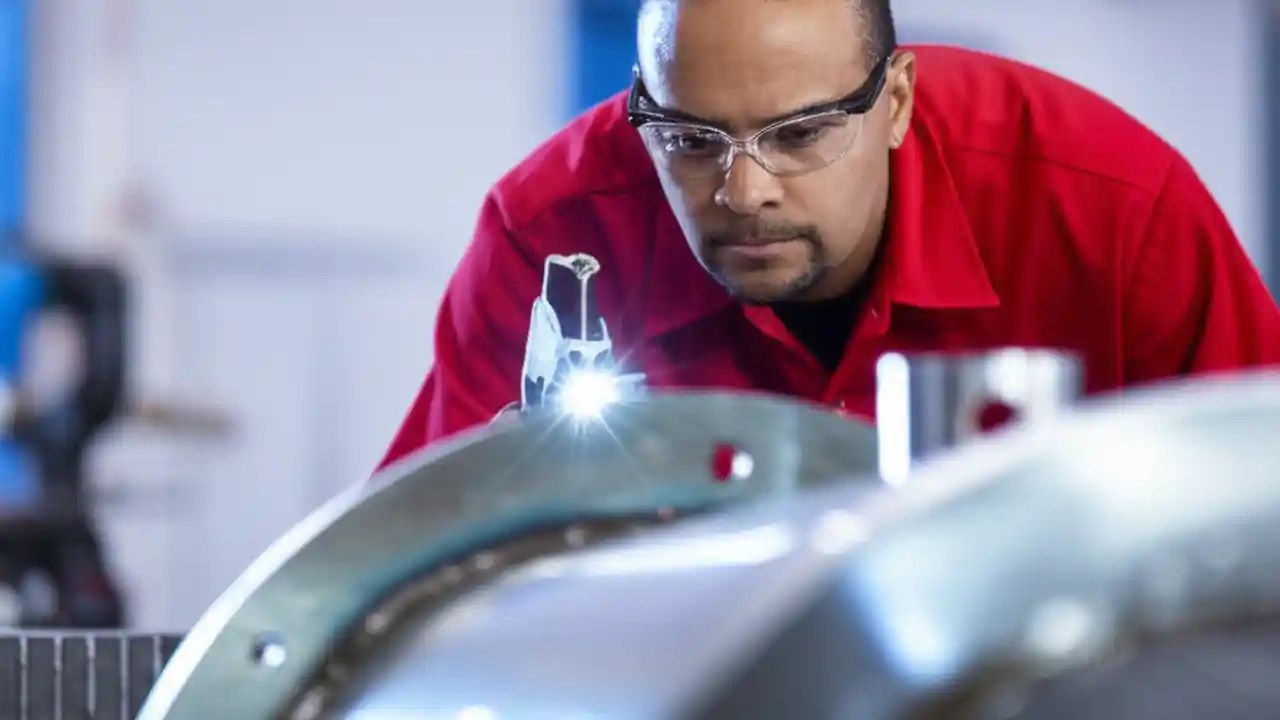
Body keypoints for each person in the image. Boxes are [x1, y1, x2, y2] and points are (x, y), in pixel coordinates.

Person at [377, 0, 1280, 470]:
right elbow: (402, 579)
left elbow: (1250, 526)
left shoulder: (1114, 211)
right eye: (691, 141)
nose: (744, 191)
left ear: (896, 101)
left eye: (801, 134)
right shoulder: (549, 238)